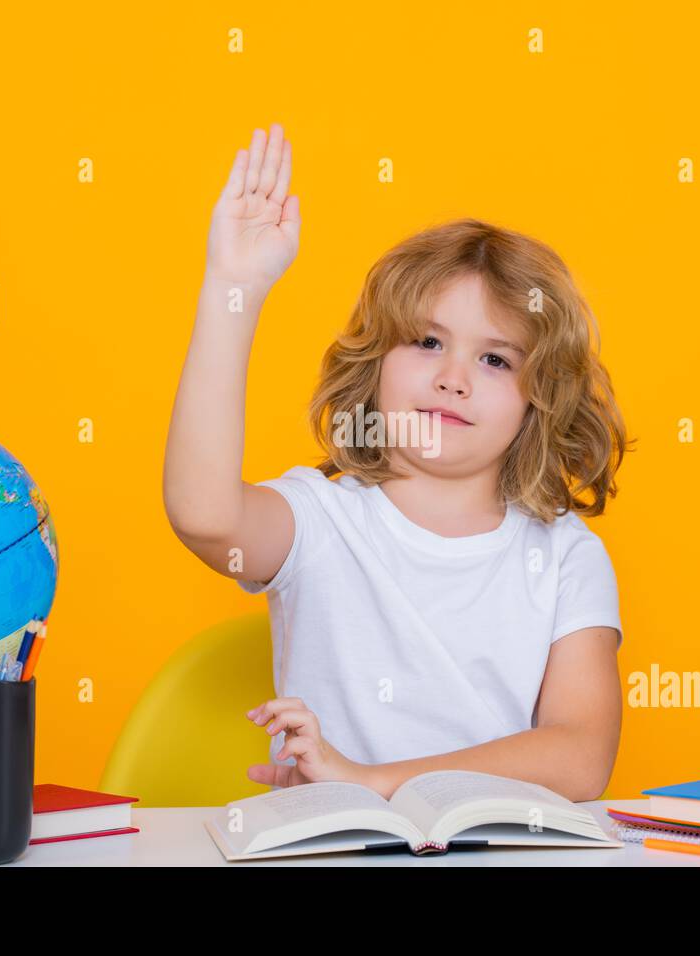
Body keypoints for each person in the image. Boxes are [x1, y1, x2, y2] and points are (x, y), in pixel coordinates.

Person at [163, 123, 631, 802]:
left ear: (539, 400)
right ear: (375, 363)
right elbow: (203, 516)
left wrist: (368, 781)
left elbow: (581, 757)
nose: (454, 378)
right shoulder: (320, 519)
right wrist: (233, 288)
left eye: (495, 359)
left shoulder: (564, 557)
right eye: (427, 342)